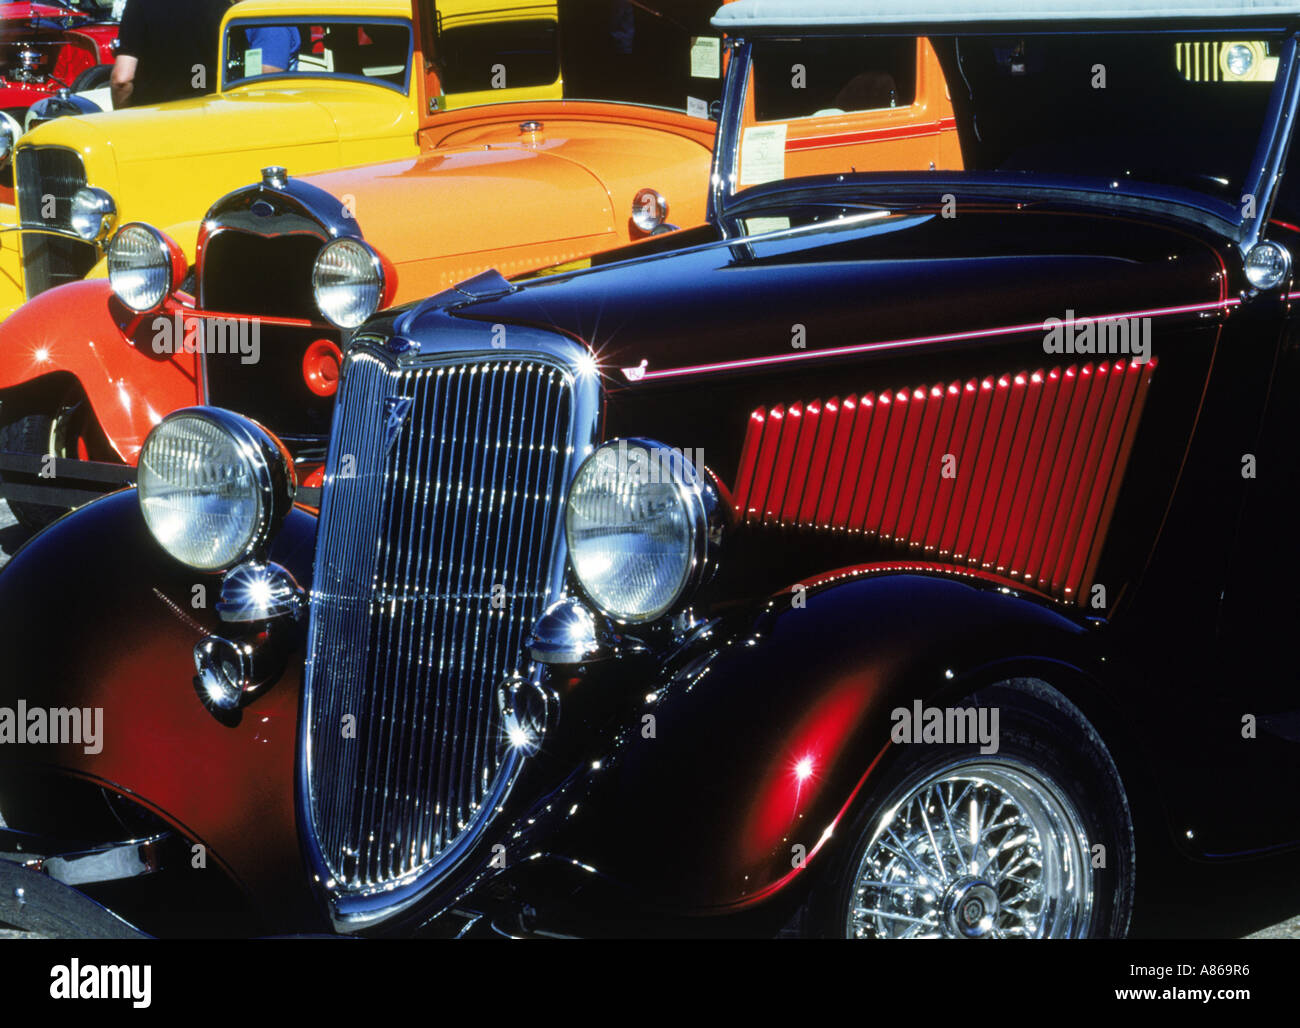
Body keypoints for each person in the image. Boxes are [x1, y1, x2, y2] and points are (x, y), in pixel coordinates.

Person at [111, 0, 232, 108]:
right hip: (210, 113)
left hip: (156, 119)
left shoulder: (139, 5)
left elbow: (122, 80)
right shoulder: (221, 4)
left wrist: (124, 118)